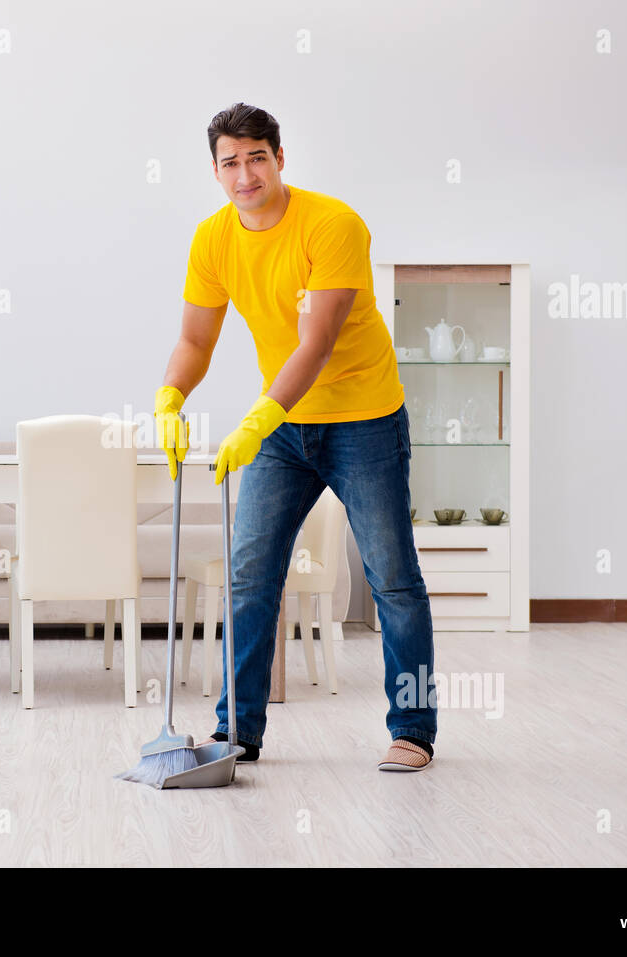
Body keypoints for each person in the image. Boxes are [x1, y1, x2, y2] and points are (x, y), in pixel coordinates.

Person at [154, 102, 437, 771]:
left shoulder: (331, 224)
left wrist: (258, 418)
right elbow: (197, 337)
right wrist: (170, 396)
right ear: (216, 171)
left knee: (392, 577)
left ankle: (414, 730)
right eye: (230, 162)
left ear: (280, 159)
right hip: (285, 427)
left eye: (257, 157)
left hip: (362, 416)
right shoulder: (213, 239)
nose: (245, 173)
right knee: (250, 575)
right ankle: (236, 732)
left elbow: (316, 343)